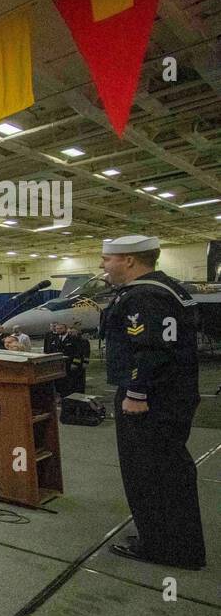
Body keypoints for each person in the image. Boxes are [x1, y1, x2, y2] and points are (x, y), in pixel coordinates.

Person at [99, 235, 204, 569]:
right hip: (172, 396)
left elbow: (152, 349)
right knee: (168, 472)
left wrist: (136, 393)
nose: (103, 265)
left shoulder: (144, 295)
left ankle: (165, 548)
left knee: (150, 474)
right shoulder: (167, 288)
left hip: (151, 399)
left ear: (129, 260)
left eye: (107, 259)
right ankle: (170, 541)